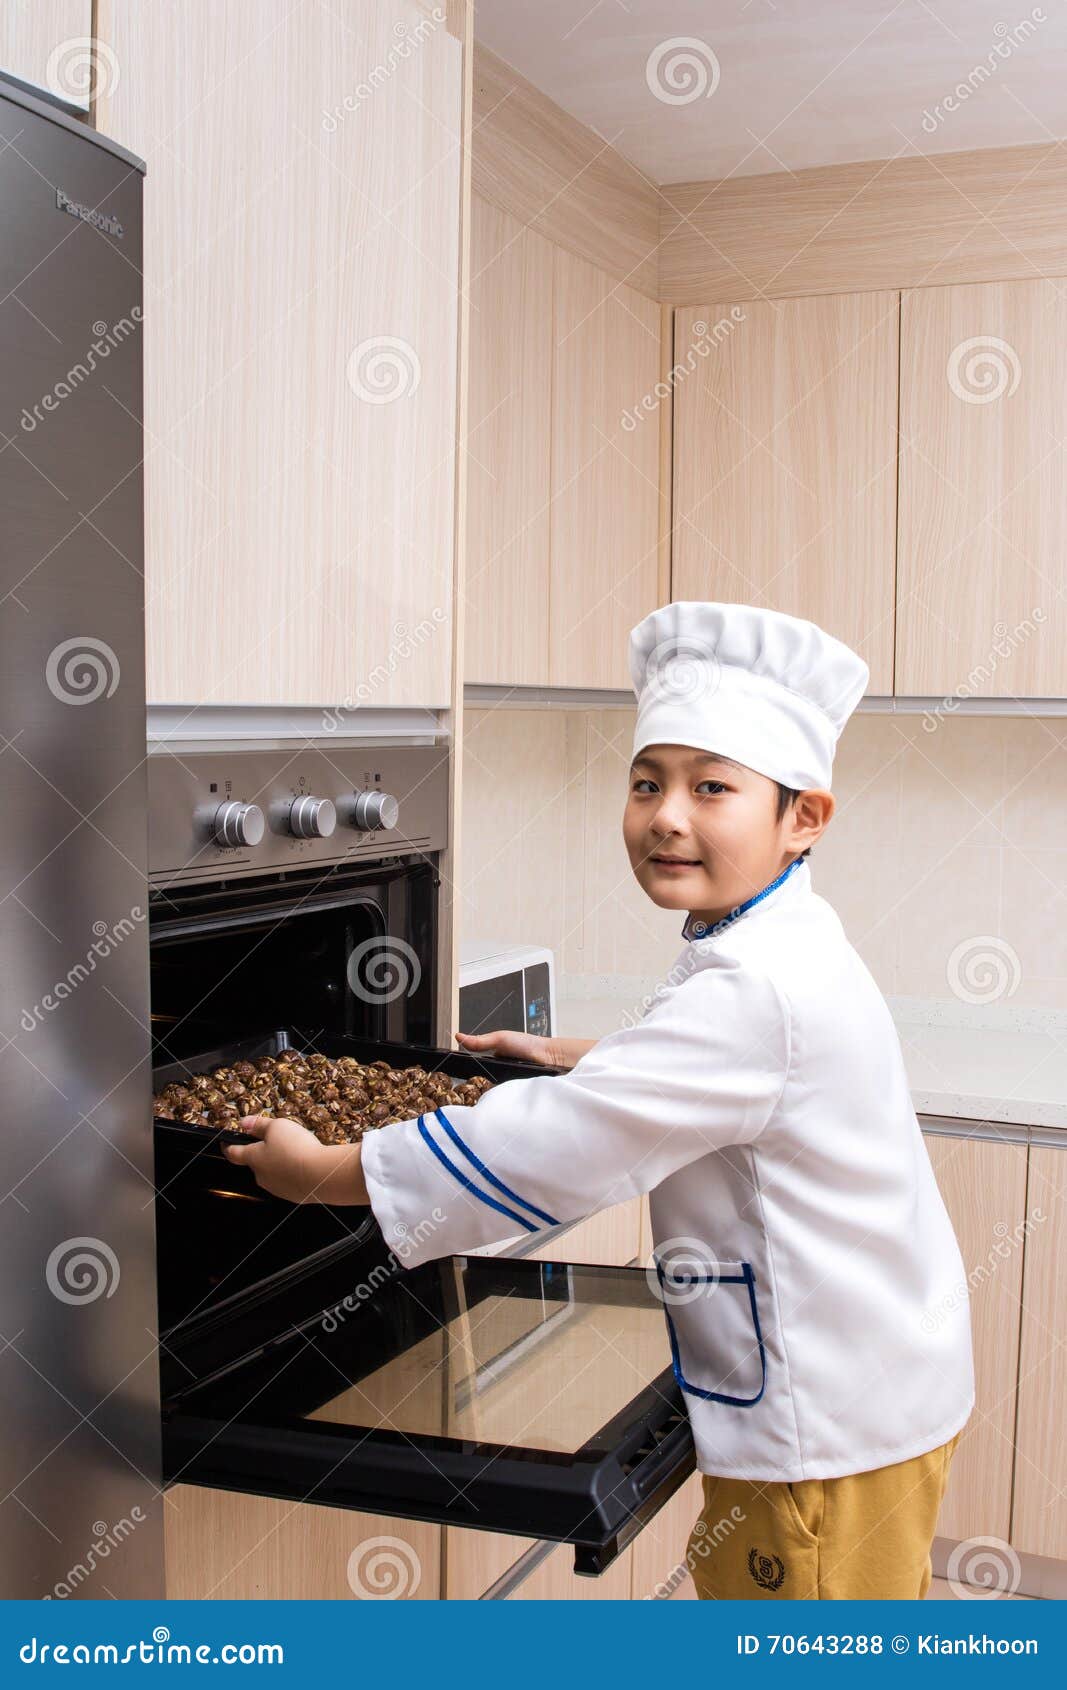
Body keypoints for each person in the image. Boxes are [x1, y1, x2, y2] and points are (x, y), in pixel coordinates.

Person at [225, 600, 974, 1601]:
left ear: (802, 817)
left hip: (822, 1432)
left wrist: (322, 1170)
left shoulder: (760, 985)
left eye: (711, 787)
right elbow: (709, 1073)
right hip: (861, 1392)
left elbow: (564, 1146)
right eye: (644, 782)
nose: (666, 814)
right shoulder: (773, 939)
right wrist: (573, 1051)